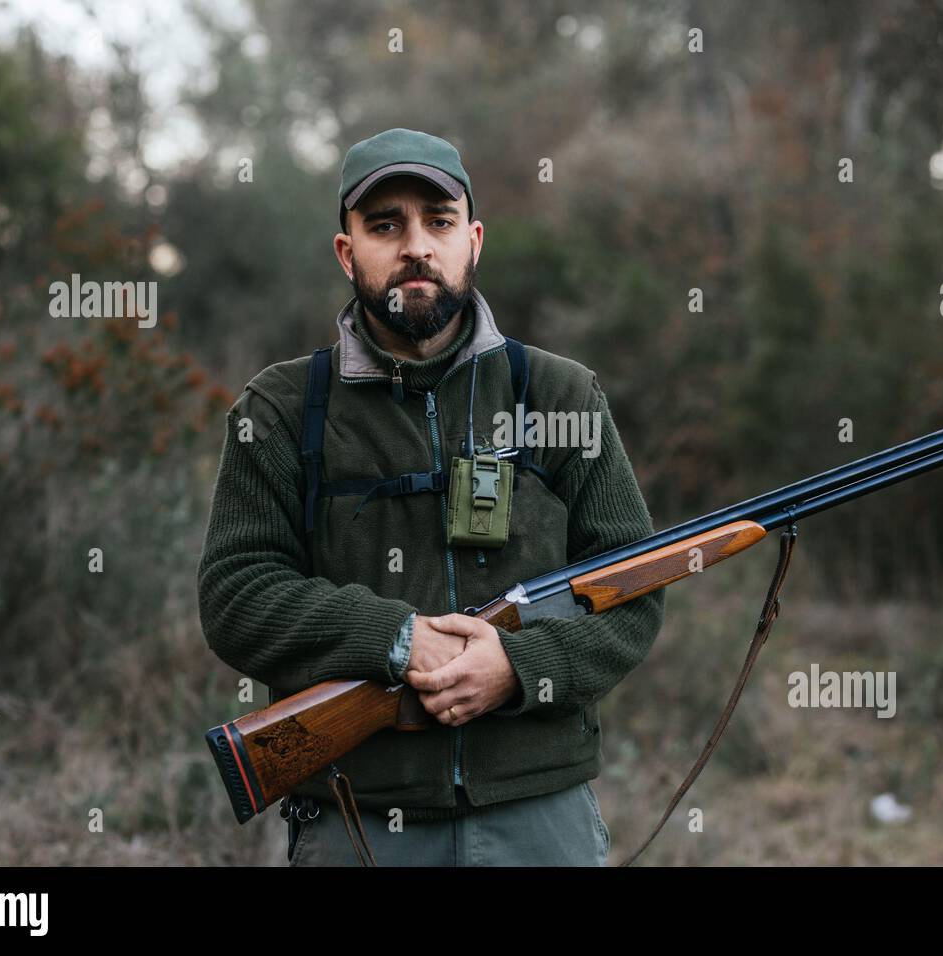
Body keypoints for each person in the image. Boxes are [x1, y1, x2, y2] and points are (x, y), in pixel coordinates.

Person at [197, 128, 664, 866]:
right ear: (347, 252)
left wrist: (519, 669)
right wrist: (395, 638)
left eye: (438, 221)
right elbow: (237, 597)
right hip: (357, 822)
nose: (416, 245)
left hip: (538, 816)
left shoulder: (560, 393)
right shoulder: (283, 407)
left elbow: (634, 591)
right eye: (386, 225)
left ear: (472, 240)